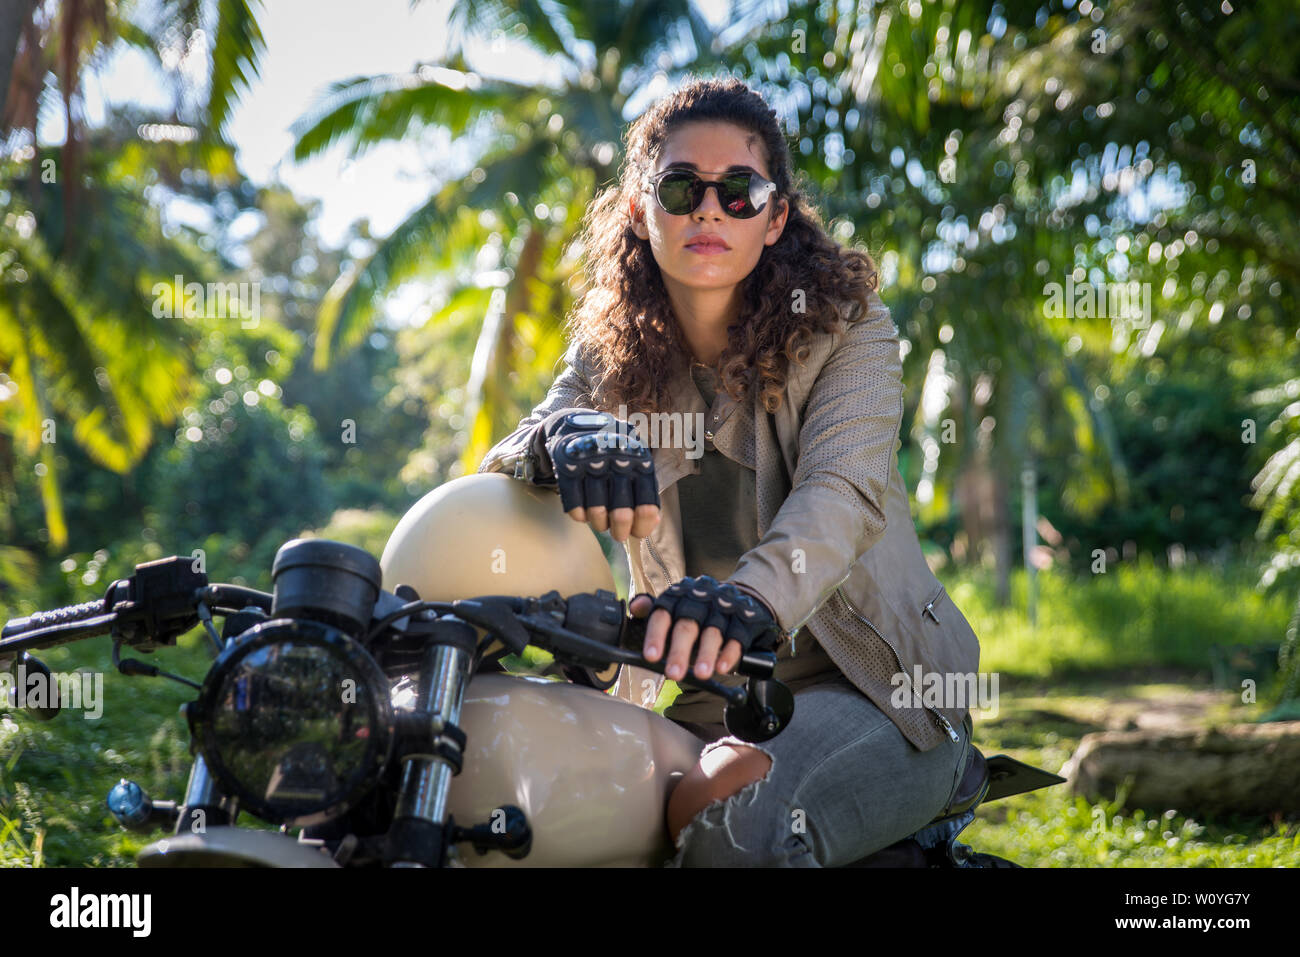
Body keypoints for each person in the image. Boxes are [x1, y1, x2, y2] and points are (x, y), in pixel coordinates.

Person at [478, 76, 982, 867]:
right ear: (642, 211)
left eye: (738, 191)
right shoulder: (611, 355)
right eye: (680, 187)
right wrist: (555, 442)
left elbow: (841, 495)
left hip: (881, 691)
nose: (708, 210)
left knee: (727, 830)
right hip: (708, 696)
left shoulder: (849, 328)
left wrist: (747, 599)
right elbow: (516, 449)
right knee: (531, 809)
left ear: (776, 215)